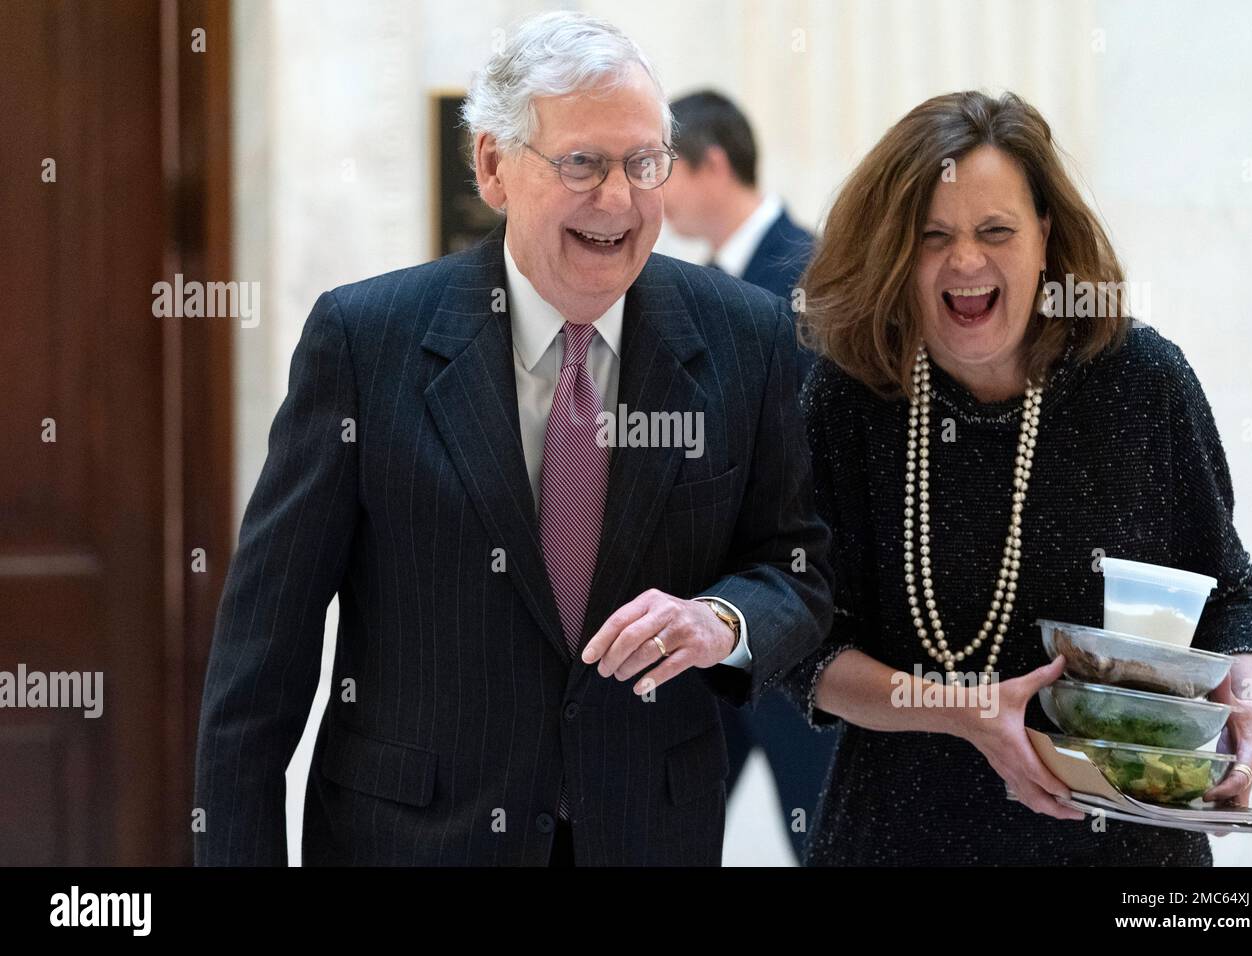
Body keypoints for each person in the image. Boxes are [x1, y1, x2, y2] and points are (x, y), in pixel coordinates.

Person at [193, 10, 832, 867]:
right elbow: (258, 668)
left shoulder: (744, 337)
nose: (619, 199)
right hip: (413, 840)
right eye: (582, 163)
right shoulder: (366, 341)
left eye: (644, 164)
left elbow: (798, 570)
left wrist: (723, 621)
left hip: (647, 832)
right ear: (494, 165)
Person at [782, 90, 1252, 865]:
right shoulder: (849, 398)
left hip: (1125, 846)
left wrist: (1246, 696)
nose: (967, 261)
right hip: (903, 835)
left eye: (996, 231)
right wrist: (966, 712)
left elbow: (1231, 593)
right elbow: (805, 649)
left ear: (1045, 236)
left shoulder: (1141, 381)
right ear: (892, 251)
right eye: (932, 236)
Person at [664, 89, 836, 861]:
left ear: (713, 164)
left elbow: (814, 460)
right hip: (708, 633)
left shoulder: (807, 275)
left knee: (821, 840)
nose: (649, 192)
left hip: (795, 633)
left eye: (659, 168)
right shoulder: (696, 286)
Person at [664, 89, 816, 383]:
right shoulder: (703, 279)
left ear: (713, 165)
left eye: (665, 167)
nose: (654, 191)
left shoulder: (812, 269)